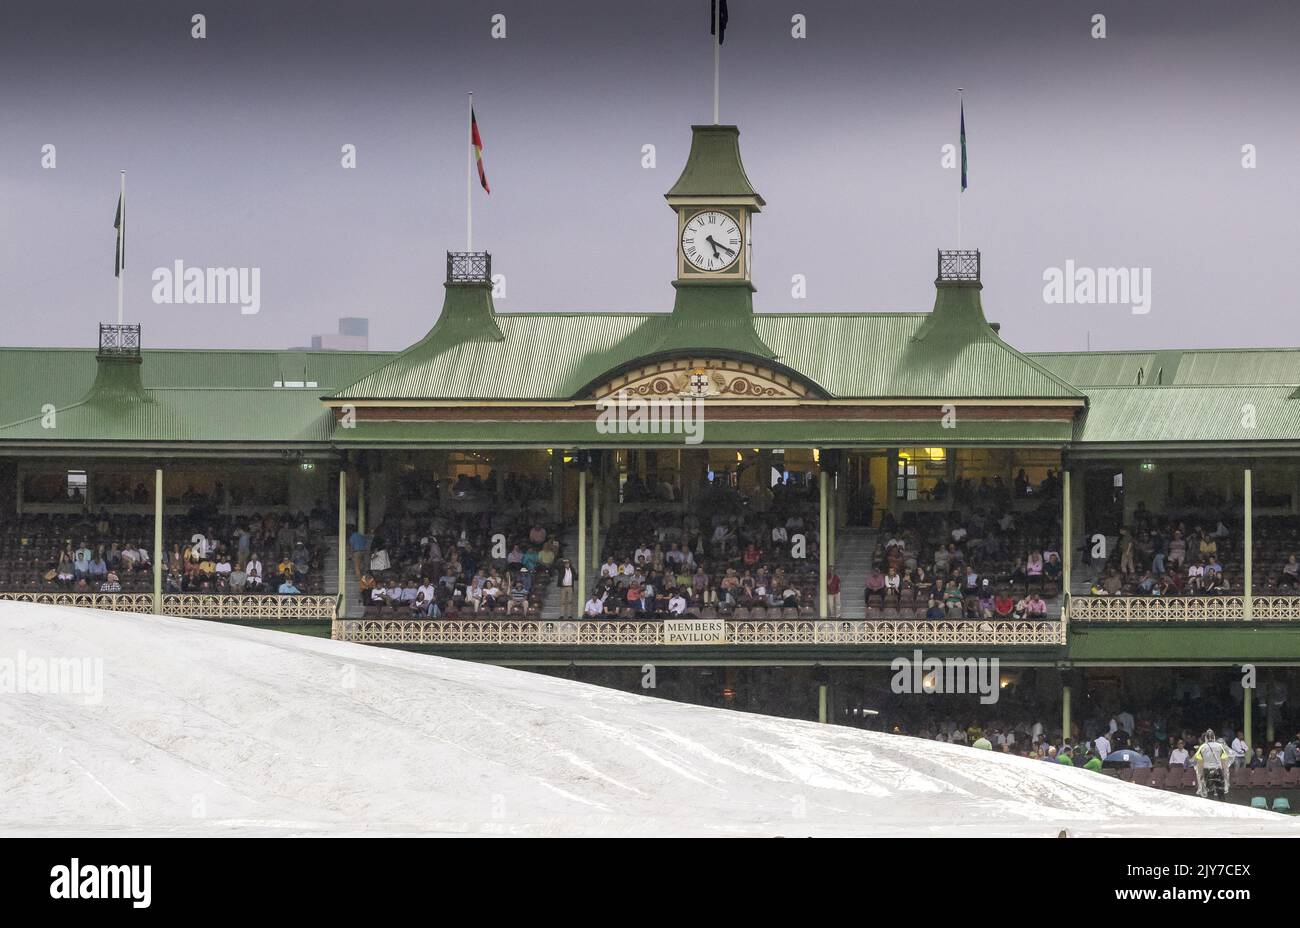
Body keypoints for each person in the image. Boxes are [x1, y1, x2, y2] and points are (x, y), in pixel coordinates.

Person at [1194, 729, 1231, 801]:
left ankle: (1210, 810)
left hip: (1207, 772)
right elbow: (1224, 762)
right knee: (1221, 793)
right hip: (1218, 771)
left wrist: (1200, 775)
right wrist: (1225, 773)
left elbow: (1200, 763)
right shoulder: (1220, 746)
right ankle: (1223, 808)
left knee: (1210, 793)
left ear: (1206, 737)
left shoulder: (1202, 747)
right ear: (1214, 737)